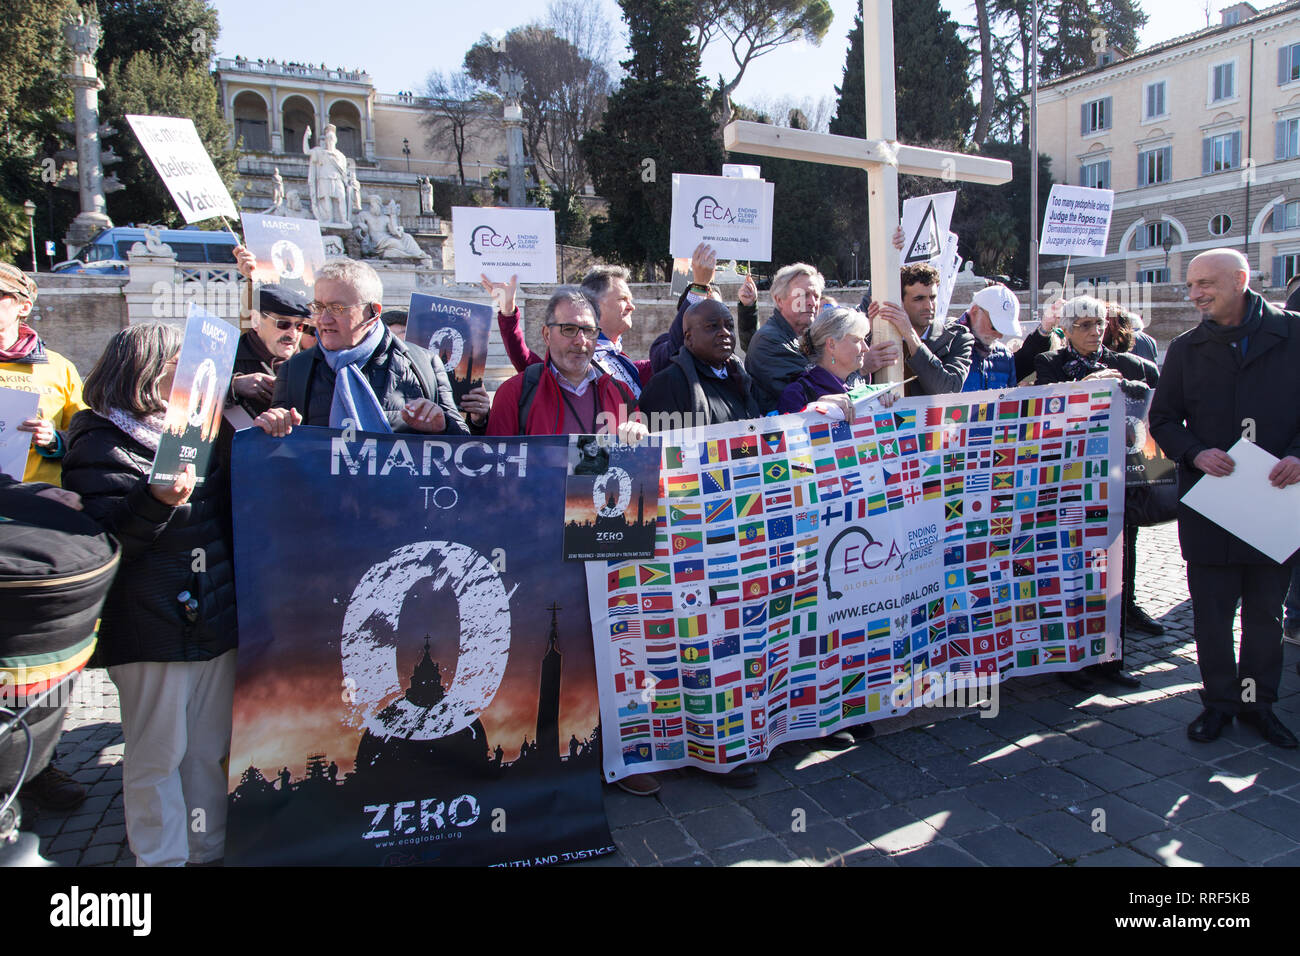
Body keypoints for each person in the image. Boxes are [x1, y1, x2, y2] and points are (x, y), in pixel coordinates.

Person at [62, 324, 238, 865]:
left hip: (213, 616)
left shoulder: (199, 429)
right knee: (158, 754)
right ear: (148, 367)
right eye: (180, 363)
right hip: (151, 622)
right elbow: (106, 543)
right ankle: (161, 857)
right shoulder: (97, 437)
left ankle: (207, 848)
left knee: (209, 752)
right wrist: (155, 500)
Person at [1149, 249, 1300, 748]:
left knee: (1265, 615)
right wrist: (1194, 452)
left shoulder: (1294, 333)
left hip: (1276, 504)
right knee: (1212, 617)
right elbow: (1163, 420)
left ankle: (1260, 705)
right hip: (1211, 504)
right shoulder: (1187, 348)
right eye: (1191, 285)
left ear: (1240, 280)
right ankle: (1217, 705)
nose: (1195, 294)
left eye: (1205, 284)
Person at [1036, 296, 1157, 692]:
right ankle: (1071, 660)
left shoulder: (1126, 362)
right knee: (1071, 572)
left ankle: (1111, 659)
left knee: (1116, 574)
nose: (1094, 332)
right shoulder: (1050, 364)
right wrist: (1079, 389)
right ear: (1067, 330)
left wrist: (1121, 384)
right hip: (1069, 485)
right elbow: (1044, 413)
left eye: (1099, 324)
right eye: (1084, 325)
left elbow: (1158, 387)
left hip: (1119, 483)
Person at [236, 257, 467, 438]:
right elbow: (282, 460)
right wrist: (275, 426)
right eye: (319, 306)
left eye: (337, 309)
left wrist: (442, 426)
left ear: (373, 312)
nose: (323, 320)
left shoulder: (423, 364)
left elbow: (463, 445)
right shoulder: (295, 370)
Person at [486, 288, 640, 439]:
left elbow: (643, 461)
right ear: (547, 335)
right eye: (569, 329)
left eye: (589, 330)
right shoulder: (513, 393)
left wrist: (642, 438)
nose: (581, 341)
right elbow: (497, 461)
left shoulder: (621, 393)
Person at [1097, 301, 1165, 638]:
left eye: (1101, 326)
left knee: (1129, 536)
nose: (1096, 332)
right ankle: (1116, 606)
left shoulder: (1136, 363)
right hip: (1102, 468)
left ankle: (1127, 604)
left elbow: (1156, 401)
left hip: (1130, 465)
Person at [485, 265, 653, 397]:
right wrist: (508, 313)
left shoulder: (626, 363)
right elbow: (528, 363)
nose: (632, 306)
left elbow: (664, 359)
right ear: (594, 303)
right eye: (623, 299)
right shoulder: (573, 358)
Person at [0, 263, 87, 484]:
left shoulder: (59, 367)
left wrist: (54, 439)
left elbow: (87, 437)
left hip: (43, 503)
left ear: (24, 307)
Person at [639, 299, 760, 429]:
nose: (724, 332)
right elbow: (664, 446)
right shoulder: (668, 384)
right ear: (689, 338)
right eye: (712, 326)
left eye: (729, 326)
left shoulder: (741, 378)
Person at [649, 243, 762, 372]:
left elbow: (758, 354)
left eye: (722, 310)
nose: (723, 332)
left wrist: (749, 307)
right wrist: (699, 287)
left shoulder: (734, 367)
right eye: (711, 322)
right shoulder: (664, 347)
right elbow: (671, 356)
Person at [870, 262, 973, 397]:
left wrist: (910, 335)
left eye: (932, 297)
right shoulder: (872, 338)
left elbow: (947, 390)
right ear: (899, 302)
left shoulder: (957, 338)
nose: (928, 306)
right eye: (919, 299)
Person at [745, 262, 824, 413]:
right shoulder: (768, 340)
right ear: (779, 300)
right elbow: (815, 389)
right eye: (804, 295)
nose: (812, 303)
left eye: (816, 296)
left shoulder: (807, 337)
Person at [777, 306, 877, 420]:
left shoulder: (861, 386)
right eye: (857, 340)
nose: (866, 348)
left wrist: (885, 405)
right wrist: (814, 408)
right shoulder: (797, 394)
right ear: (831, 344)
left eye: (864, 339)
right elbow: (789, 435)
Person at [228, 284, 311, 419]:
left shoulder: (312, 364)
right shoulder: (226, 357)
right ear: (256, 321)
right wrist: (232, 385)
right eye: (283, 324)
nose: (293, 334)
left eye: (300, 326)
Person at [957, 283, 1055, 392]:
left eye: (1003, 330)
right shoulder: (945, 344)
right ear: (974, 311)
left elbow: (1008, 404)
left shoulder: (1004, 355)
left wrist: (1045, 328)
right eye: (994, 327)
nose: (1000, 335)